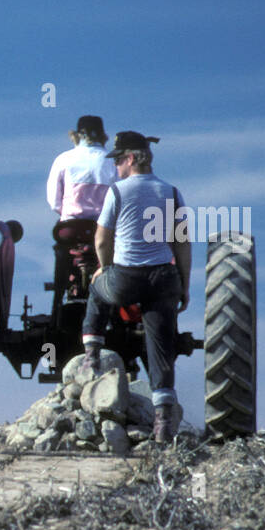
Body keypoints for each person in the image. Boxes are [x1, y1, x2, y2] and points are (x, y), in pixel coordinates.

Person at [78, 132, 190, 443]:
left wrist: (104, 267)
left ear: (130, 159)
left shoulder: (118, 191)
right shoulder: (171, 192)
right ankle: (164, 421)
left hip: (126, 279)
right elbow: (181, 243)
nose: (114, 167)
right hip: (162, 280)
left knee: (98, 287)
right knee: (161, 348)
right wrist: (184, 284)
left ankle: (92, 351)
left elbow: (101, 239)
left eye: (117, 160)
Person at [46, 115, 118, 298]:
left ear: (76, 135)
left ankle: (65, 281)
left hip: (70, 230)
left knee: (62, 247)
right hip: (102, 229)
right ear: (103, 136)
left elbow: (54, 201)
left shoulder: (63, 159)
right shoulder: (112, 161)